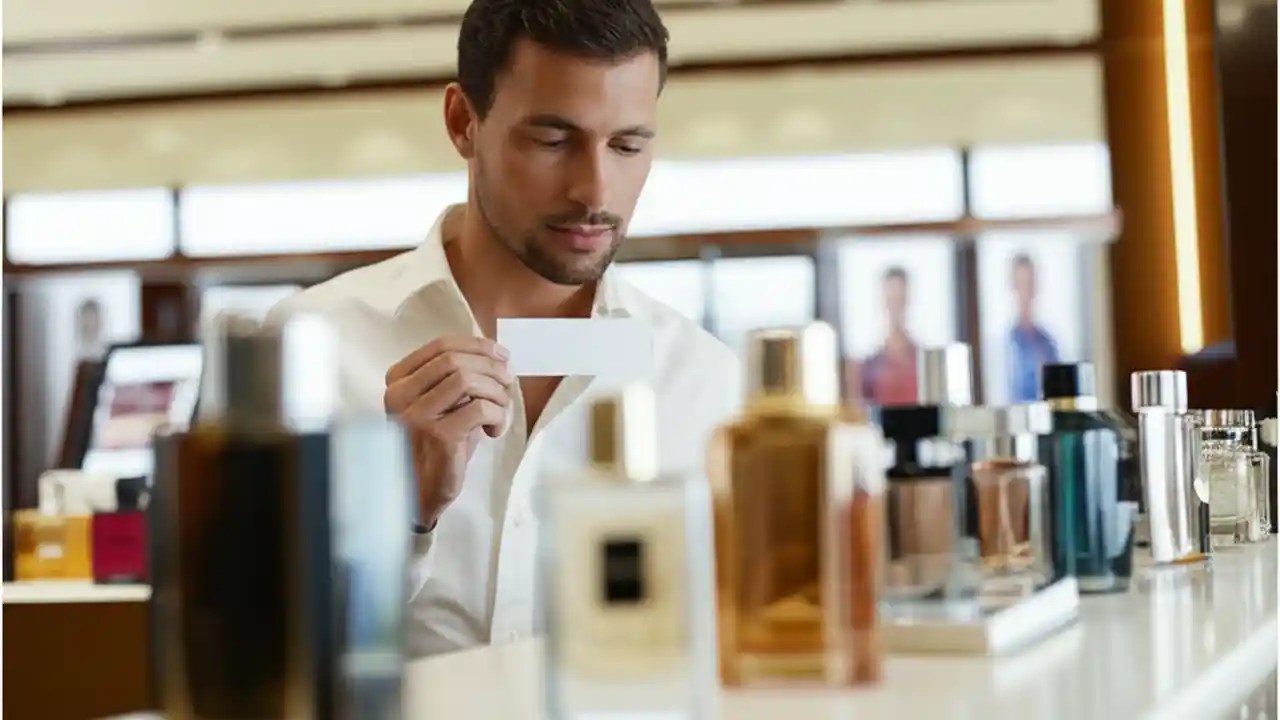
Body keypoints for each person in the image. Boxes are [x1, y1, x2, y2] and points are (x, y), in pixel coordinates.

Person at [269, 0, 738, 658]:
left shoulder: (703, 379)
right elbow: (253, 650)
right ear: (464, 123)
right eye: (552, 140)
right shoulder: (307, 349)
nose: (595, 190)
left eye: (628, 145)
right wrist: (401, 512)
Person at [858, 266, 918, 406]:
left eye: (899, 299)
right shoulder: (869, 366)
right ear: (883, 301)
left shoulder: (920, 362)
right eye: (891, 299)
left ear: (907, 300)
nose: (895, 307)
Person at [1007, 253, 1059, 402]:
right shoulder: (1005, 345)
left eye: (1029, 284)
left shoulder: (1048, 343)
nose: (1026, 292)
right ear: (1013, 287)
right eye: (1021, 284)